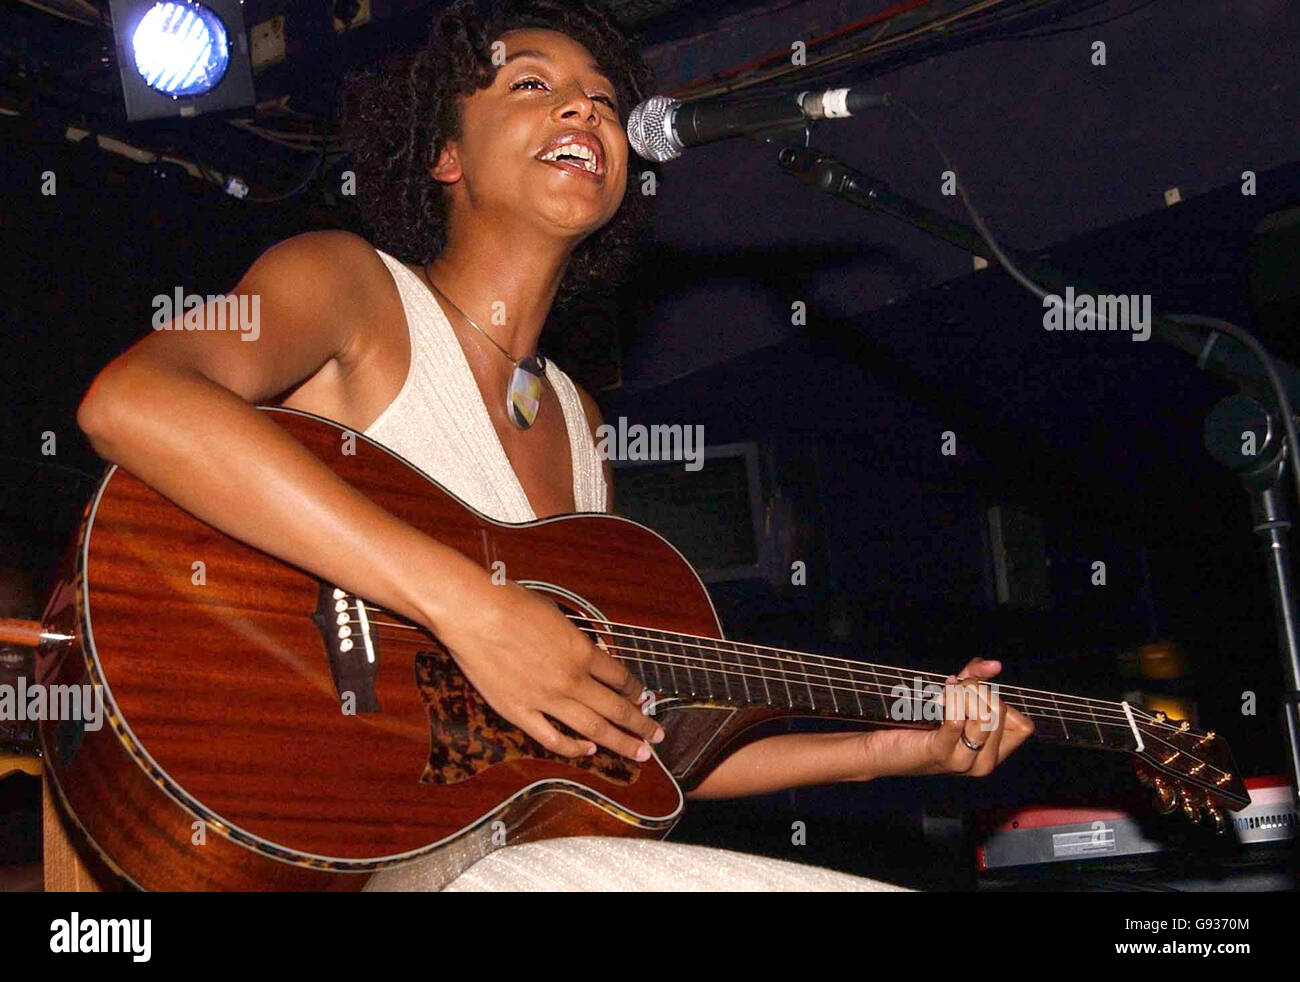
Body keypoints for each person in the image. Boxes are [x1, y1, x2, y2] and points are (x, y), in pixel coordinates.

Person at [75, 0, 1033, 891]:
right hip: (346, 830)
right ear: (445, 155)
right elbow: (137, 399)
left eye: (607, 102)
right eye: (531, 83)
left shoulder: (579, 424)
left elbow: (622, 745)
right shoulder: (348, 283)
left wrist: (891, 749)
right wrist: (470, 608)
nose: (585, 105)